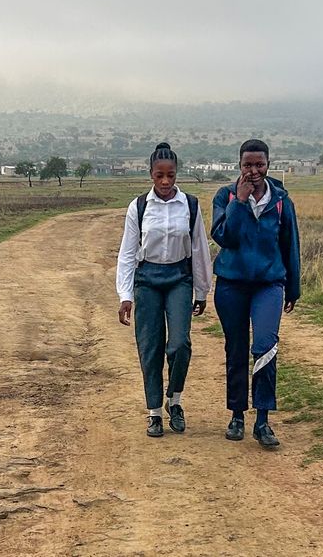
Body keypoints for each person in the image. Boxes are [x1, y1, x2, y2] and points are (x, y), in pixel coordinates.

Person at [117, 142, 213, 437]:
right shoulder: (139, 207)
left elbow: (199, 249)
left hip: (178, 278)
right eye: (159, 175)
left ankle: (175, 400)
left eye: (170, 175)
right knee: (150, 346)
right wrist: (125, 295)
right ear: (151, 174)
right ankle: (155, 413)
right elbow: (127, 253)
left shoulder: (190, 205)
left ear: (176, 173)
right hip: (147, 279)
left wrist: (201, 290)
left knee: (180, 344)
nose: (165, 182)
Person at [210, 139, 301, 448]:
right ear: (239, 165)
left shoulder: (281, 200)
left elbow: (290, 245)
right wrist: (239, 202)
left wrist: (293, 287)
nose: (253, 170)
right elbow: (224, 237)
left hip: (268, 285)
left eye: (259, 164)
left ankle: (263, 420)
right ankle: (237, 416)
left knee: (265, 347)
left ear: (268, 165)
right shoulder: (225, 196)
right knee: (235, 348)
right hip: (231, 285)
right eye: (247, 165)